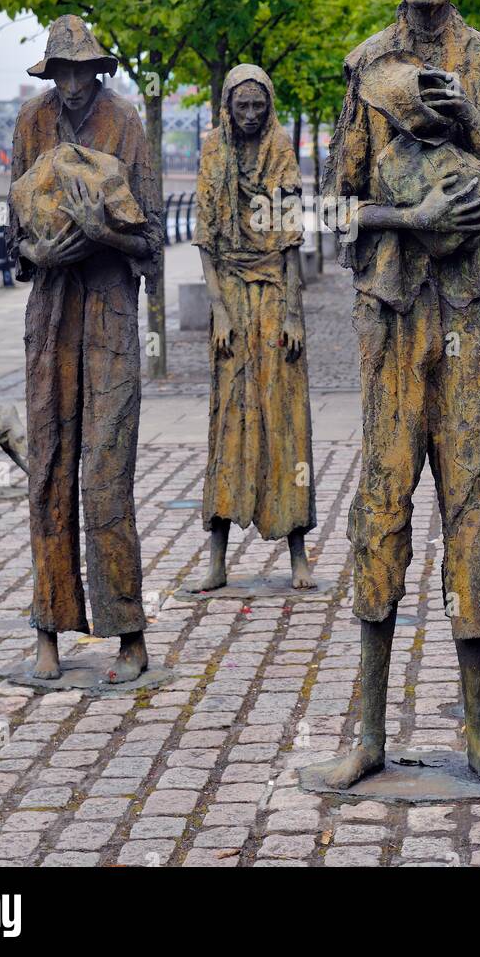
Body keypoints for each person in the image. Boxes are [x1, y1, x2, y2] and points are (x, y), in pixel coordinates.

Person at [321, 0, 480, 791]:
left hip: (467, 316)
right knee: (383, 500)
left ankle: (479, 733)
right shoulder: (365, 66)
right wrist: (413, 220)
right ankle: (366, 728)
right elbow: (337, 211)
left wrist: (472, 139)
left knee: (472, 503)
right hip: (391, 314)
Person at [6, 14, 163, 682]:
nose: (72, 84)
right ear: (50, 73)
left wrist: (104, 231)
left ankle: (129, 635)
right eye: (61, 71)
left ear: (99, 71)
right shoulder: (30, 124)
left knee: (105, 475)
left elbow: (152, 241)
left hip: (108, 309)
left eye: (83, 71)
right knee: (46, 469)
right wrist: (36, 249)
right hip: (50, 312)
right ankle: (48, 625)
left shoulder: (125, 121)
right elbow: (14, 234)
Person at [194, 64, 316, 590]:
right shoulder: (213, 149)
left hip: (273, 296)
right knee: (228, 420)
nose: (249, 116)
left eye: (258, 107)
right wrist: (218, 310)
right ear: (227, 105)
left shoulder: (280, 149)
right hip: (230, 299)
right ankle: (217, 557)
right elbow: (205, 240)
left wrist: (292, 313)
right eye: (241, 107)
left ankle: (297, 553)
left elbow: (291, 239)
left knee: (284, 418)